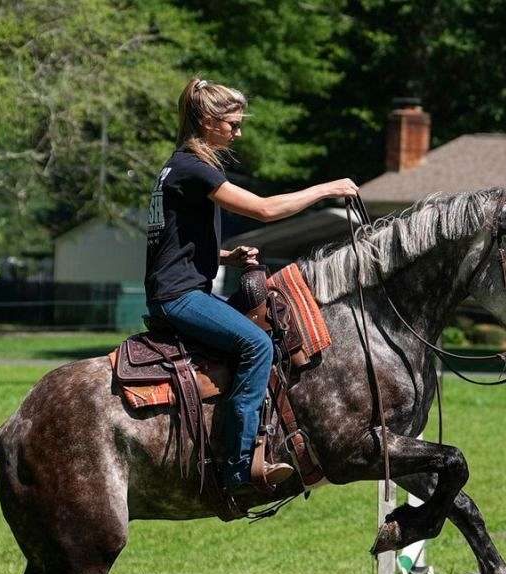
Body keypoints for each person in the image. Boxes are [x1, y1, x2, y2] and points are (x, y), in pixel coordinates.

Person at [145, 77, 358, 493]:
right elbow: (263, 210)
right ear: (208, 121)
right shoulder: (193, 168)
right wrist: (327, 188)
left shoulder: (176, 167)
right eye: (233, 124)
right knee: (257, 346)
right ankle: (240, 467)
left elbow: (170, 244)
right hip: (181, 298)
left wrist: (225, 257)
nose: (238, 133)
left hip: (178, 290)